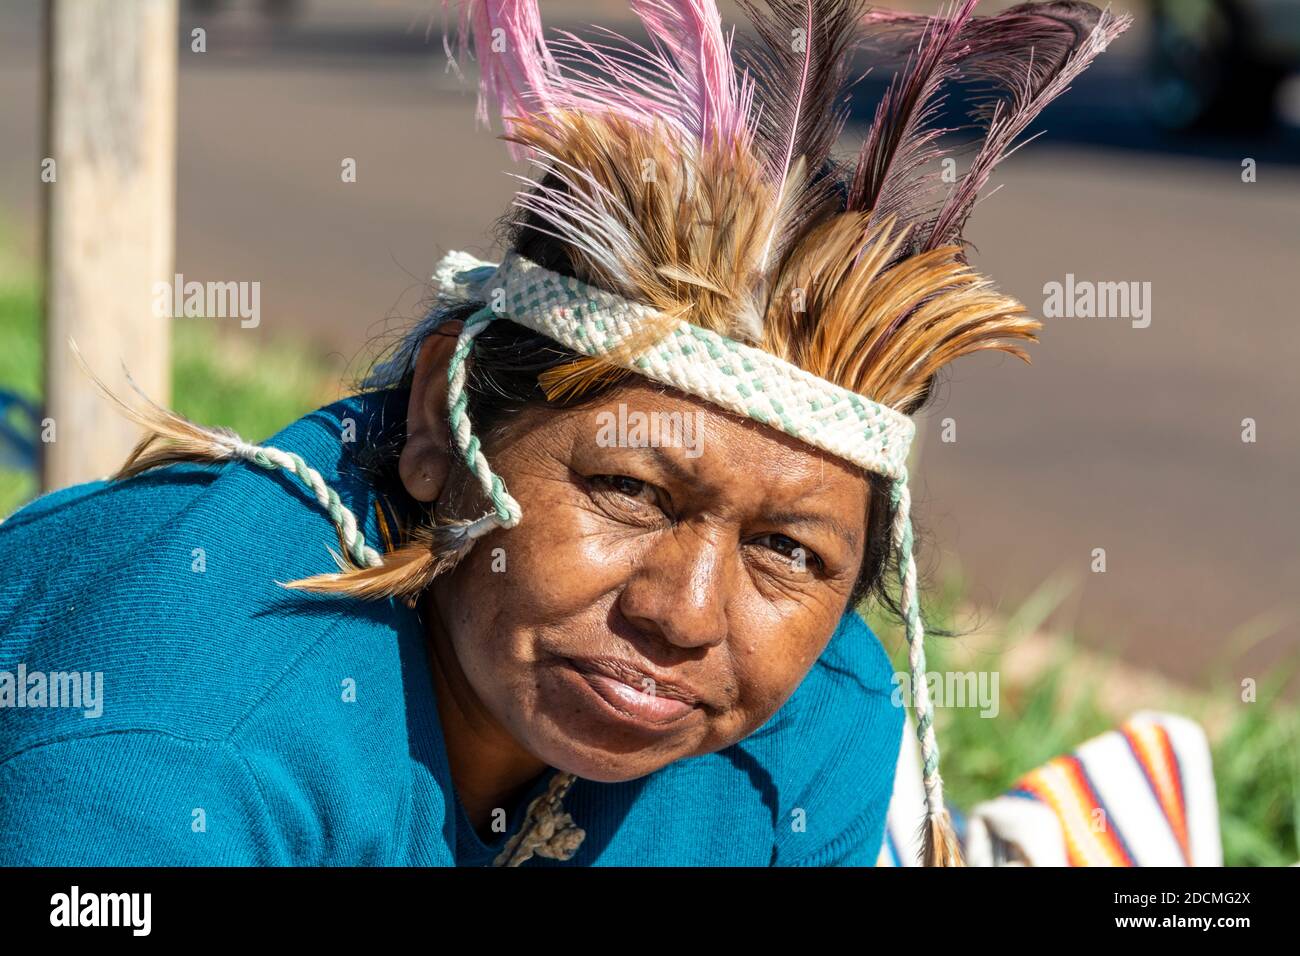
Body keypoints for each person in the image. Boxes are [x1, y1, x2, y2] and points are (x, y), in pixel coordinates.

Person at [0, 0, 1128, 866]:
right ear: (444, 419)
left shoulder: (810, 721)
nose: (683, 613)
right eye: (631, 490)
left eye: (790, 550)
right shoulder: (172, 751)